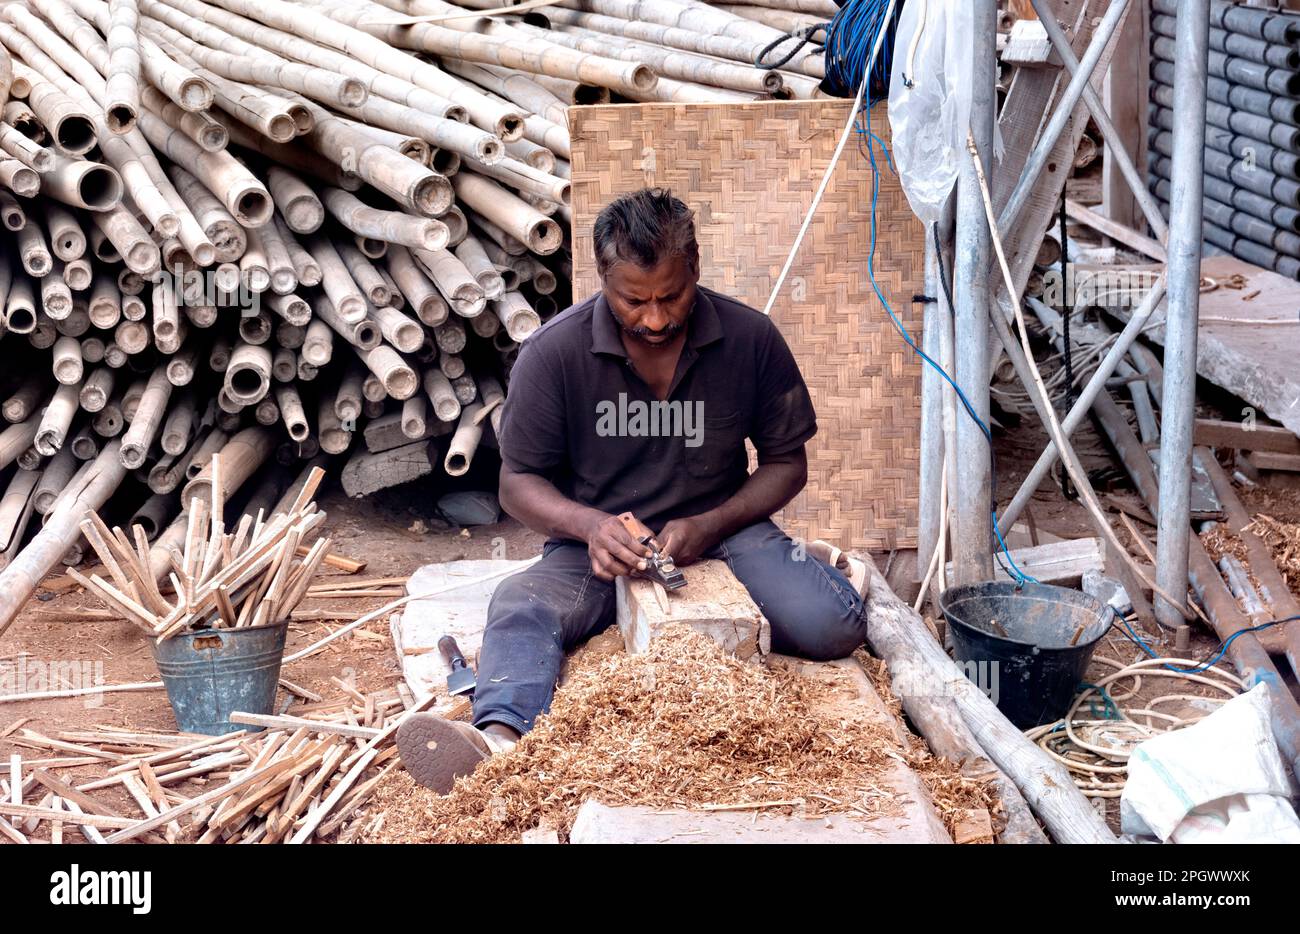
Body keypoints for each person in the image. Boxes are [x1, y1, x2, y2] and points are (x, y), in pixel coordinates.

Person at [396, 188, 868, 792]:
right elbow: (516, 486)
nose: (655, 318)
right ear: (603, 278)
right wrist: (591, 527)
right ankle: (496, 743)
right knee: (521, 605)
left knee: (832, 627)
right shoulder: (554, 353)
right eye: (633, 300)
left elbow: (786, 463)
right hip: (595, 546)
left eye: (672, 296)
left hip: (724, 530)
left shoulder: (751, 339)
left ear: (695, 268)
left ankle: (820, 569)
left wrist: (715, 523)